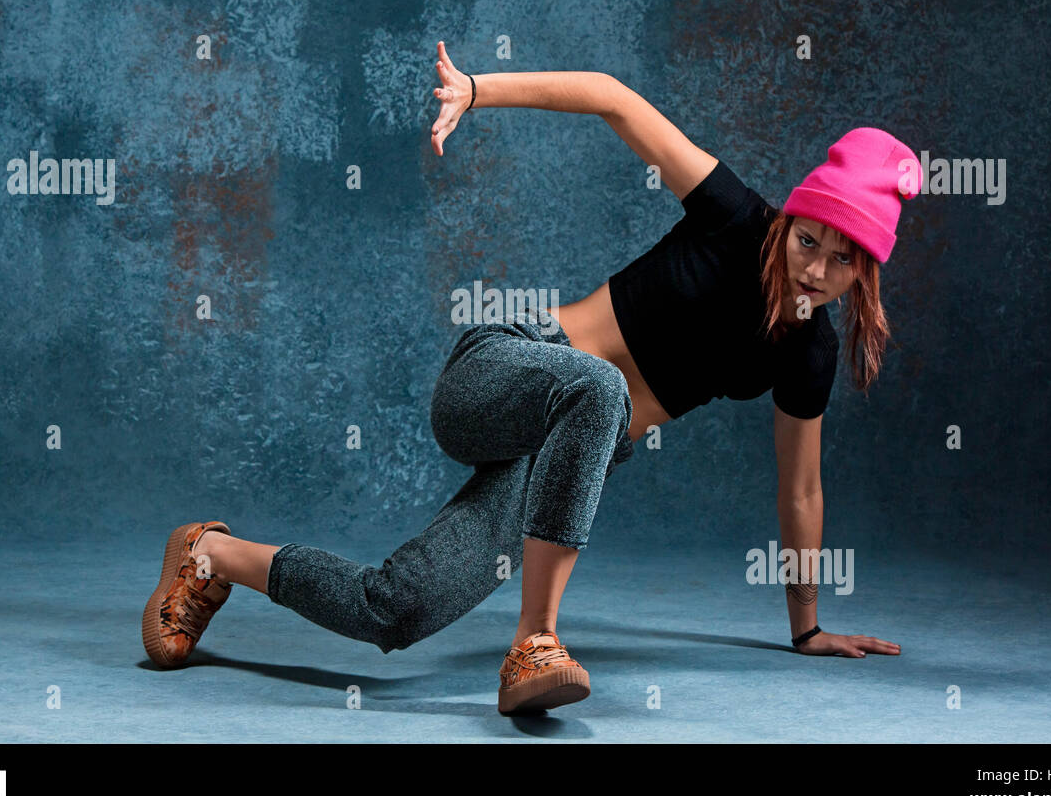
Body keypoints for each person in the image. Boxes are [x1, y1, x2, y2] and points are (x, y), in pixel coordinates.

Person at [142, 41, 906, 715]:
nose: (815, 269)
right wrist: (476, 89)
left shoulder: (810, 353)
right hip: (501, 372)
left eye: (843, 261)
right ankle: (536, 640)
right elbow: (612, 98)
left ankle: (210, 555)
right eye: (810, 241)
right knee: (600, 388)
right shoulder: (736, 219)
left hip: (561, 467)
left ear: (865, 274)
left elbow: (801, 490)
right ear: (793, 219)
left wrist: (804, 626)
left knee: (397, 610)